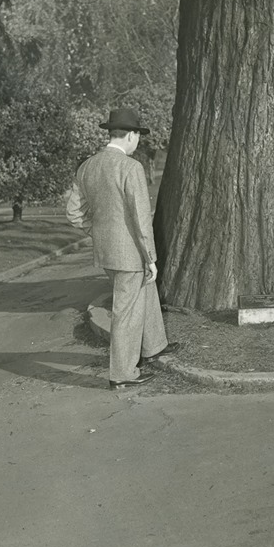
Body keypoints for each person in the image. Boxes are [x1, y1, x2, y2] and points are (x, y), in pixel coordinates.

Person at [66, 107, 178, 389]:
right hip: (129, 252)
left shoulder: (88, 166)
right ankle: (122, 374)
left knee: (145, 290)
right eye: (138, 136)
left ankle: (154, 346)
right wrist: (150, 258)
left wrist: (98, 232)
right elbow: (141, 218)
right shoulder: (131, 167)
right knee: (126, 312)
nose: (138, 141)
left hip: (106, 251)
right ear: (129, 135)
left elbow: (74, 214)